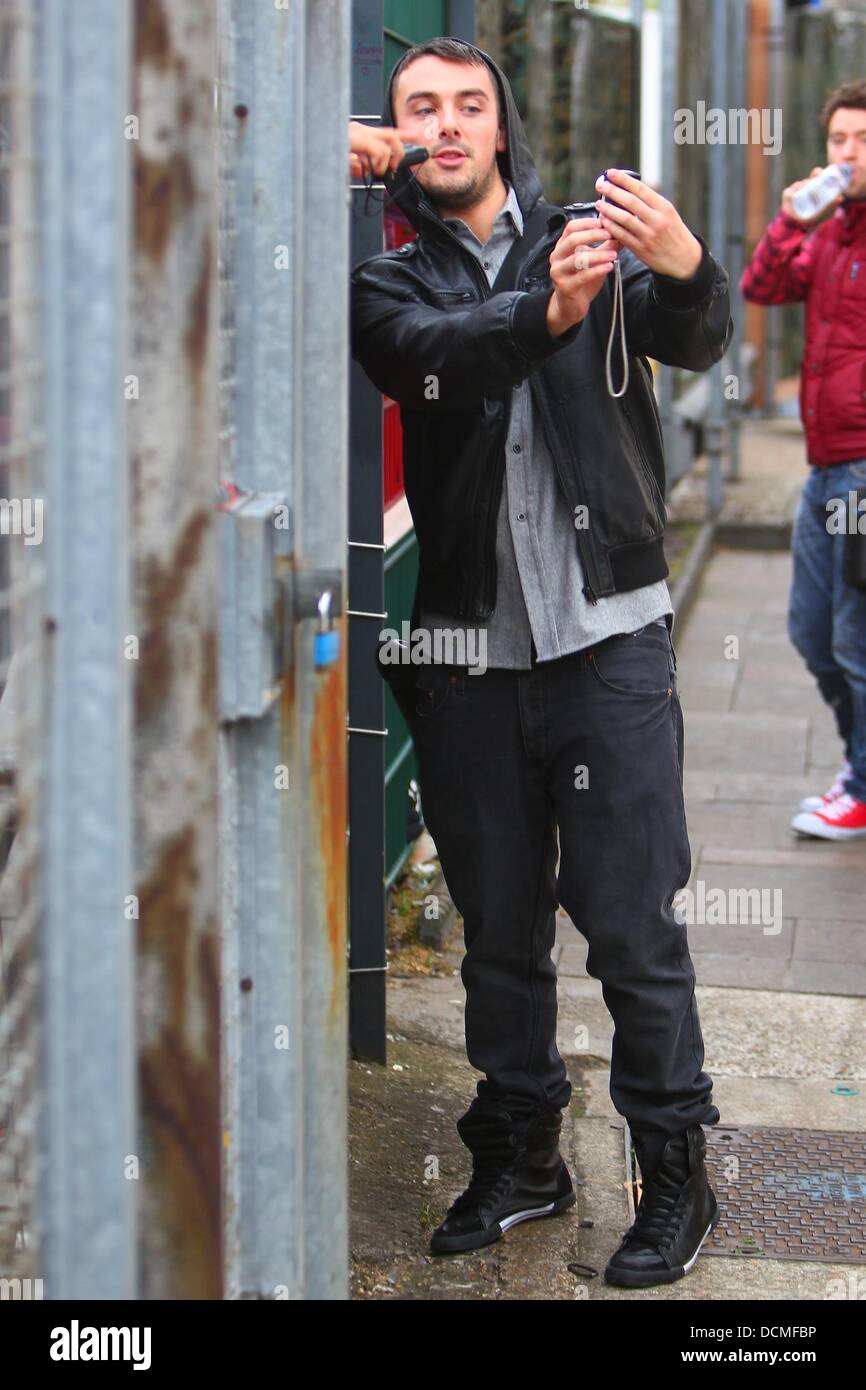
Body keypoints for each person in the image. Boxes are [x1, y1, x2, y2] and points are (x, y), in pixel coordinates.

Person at [350, 38, 732, 1290]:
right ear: (399, 135)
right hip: (465, 653)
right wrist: (541, 312)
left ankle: (674, 1172)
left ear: (502, 130)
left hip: (605, 639)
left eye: (470, 106)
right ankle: (521, 1154)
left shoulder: (588, 234)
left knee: (632, 928)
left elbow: (697, 340)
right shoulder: (379, 270)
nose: (448, 125)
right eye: (421, 109)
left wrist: (680, 267)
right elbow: (433, 355)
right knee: (497, 937)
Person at [741, 81, 866, 842]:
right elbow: (762, 285)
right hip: (824, 467)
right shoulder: (829, 230)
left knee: (855, 640)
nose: (848, 154)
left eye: (862, 140)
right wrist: (792, 219)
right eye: (839, 140)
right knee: (810, 632)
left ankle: (861, 782)